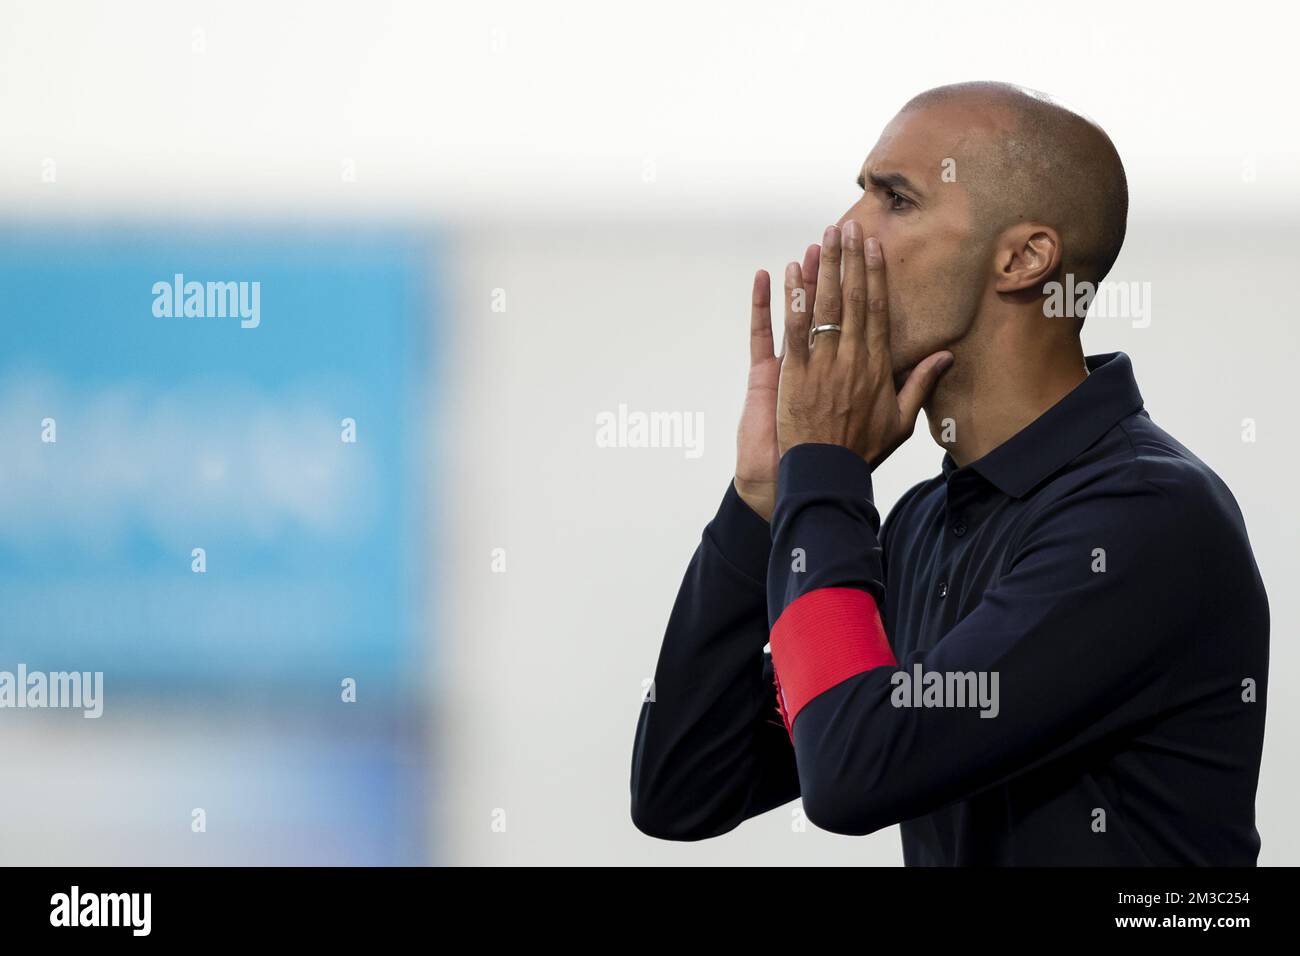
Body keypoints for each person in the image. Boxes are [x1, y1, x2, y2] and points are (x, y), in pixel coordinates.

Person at [629, 82, 1269, 865]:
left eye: (896, 201)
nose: (843, 231)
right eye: (859, 193)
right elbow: (683, 788)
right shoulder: (926, 521)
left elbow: (854, 776)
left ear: (1025, 259)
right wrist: (763, 504)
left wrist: (825, 471)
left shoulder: (1145, 516)